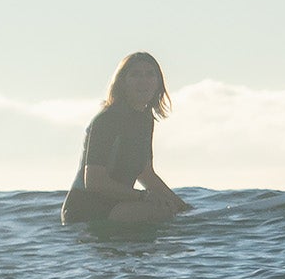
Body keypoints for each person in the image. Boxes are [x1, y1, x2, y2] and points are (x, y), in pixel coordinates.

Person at [61, 53, 189, 225]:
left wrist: (182, 206)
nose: (143, 81)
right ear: (122, 82)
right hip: (85, 207)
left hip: (120, 203)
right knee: (160, 214)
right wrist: (143, 196)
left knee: (174, 213)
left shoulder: (145, 119)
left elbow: (146, 174)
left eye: (150, 74)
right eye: (135, 74)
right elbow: (93, 181)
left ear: (159, 83)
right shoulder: (107, 120)